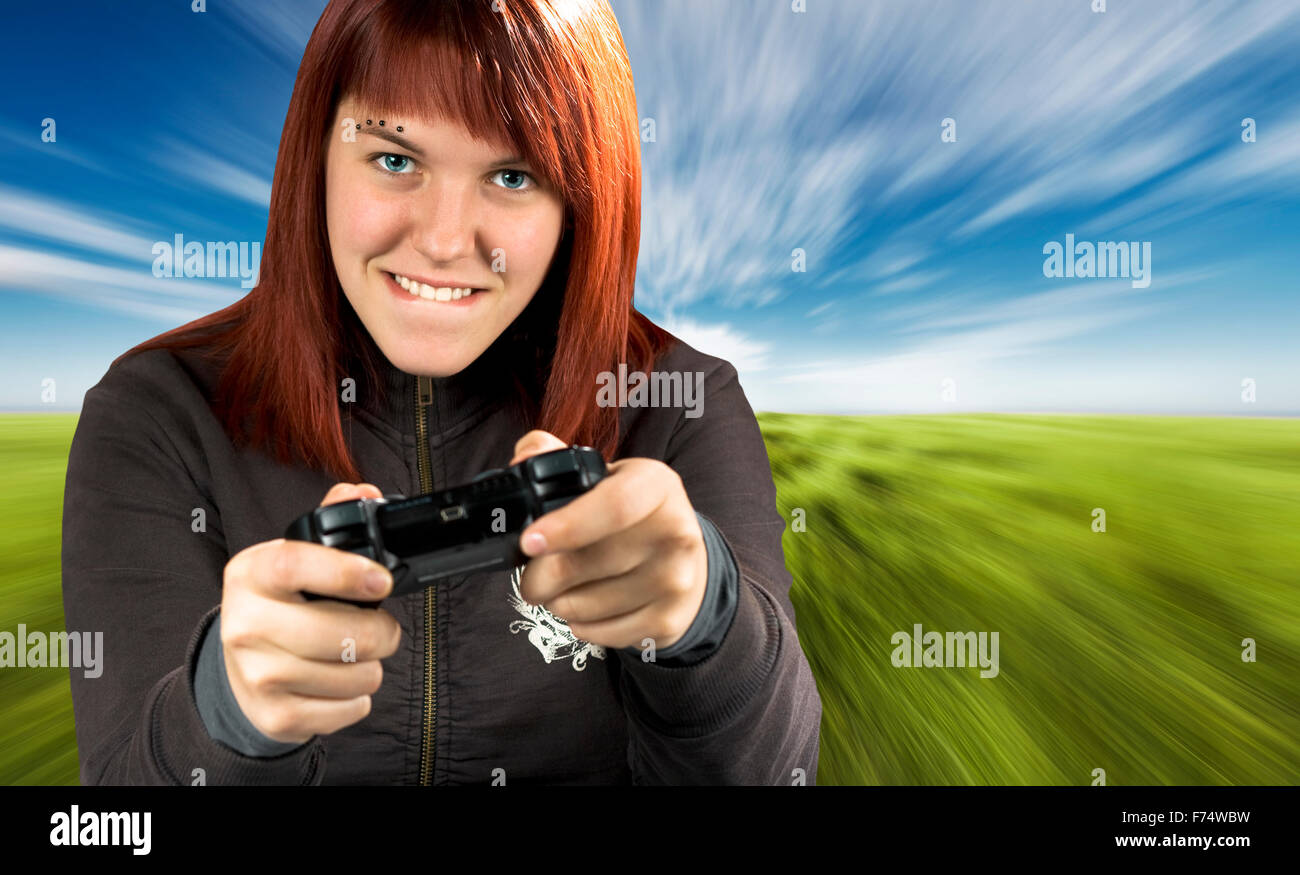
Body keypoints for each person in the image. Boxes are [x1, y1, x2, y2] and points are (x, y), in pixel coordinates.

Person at [61, 0, 821, 785]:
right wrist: (225, 716)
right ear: (315, 154)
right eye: (395, 158)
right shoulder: (156, 412)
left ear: (583, 204)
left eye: (513, 174)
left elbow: (778, 771)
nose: (446, 239)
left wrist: (707, 621)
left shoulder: (678, 401)